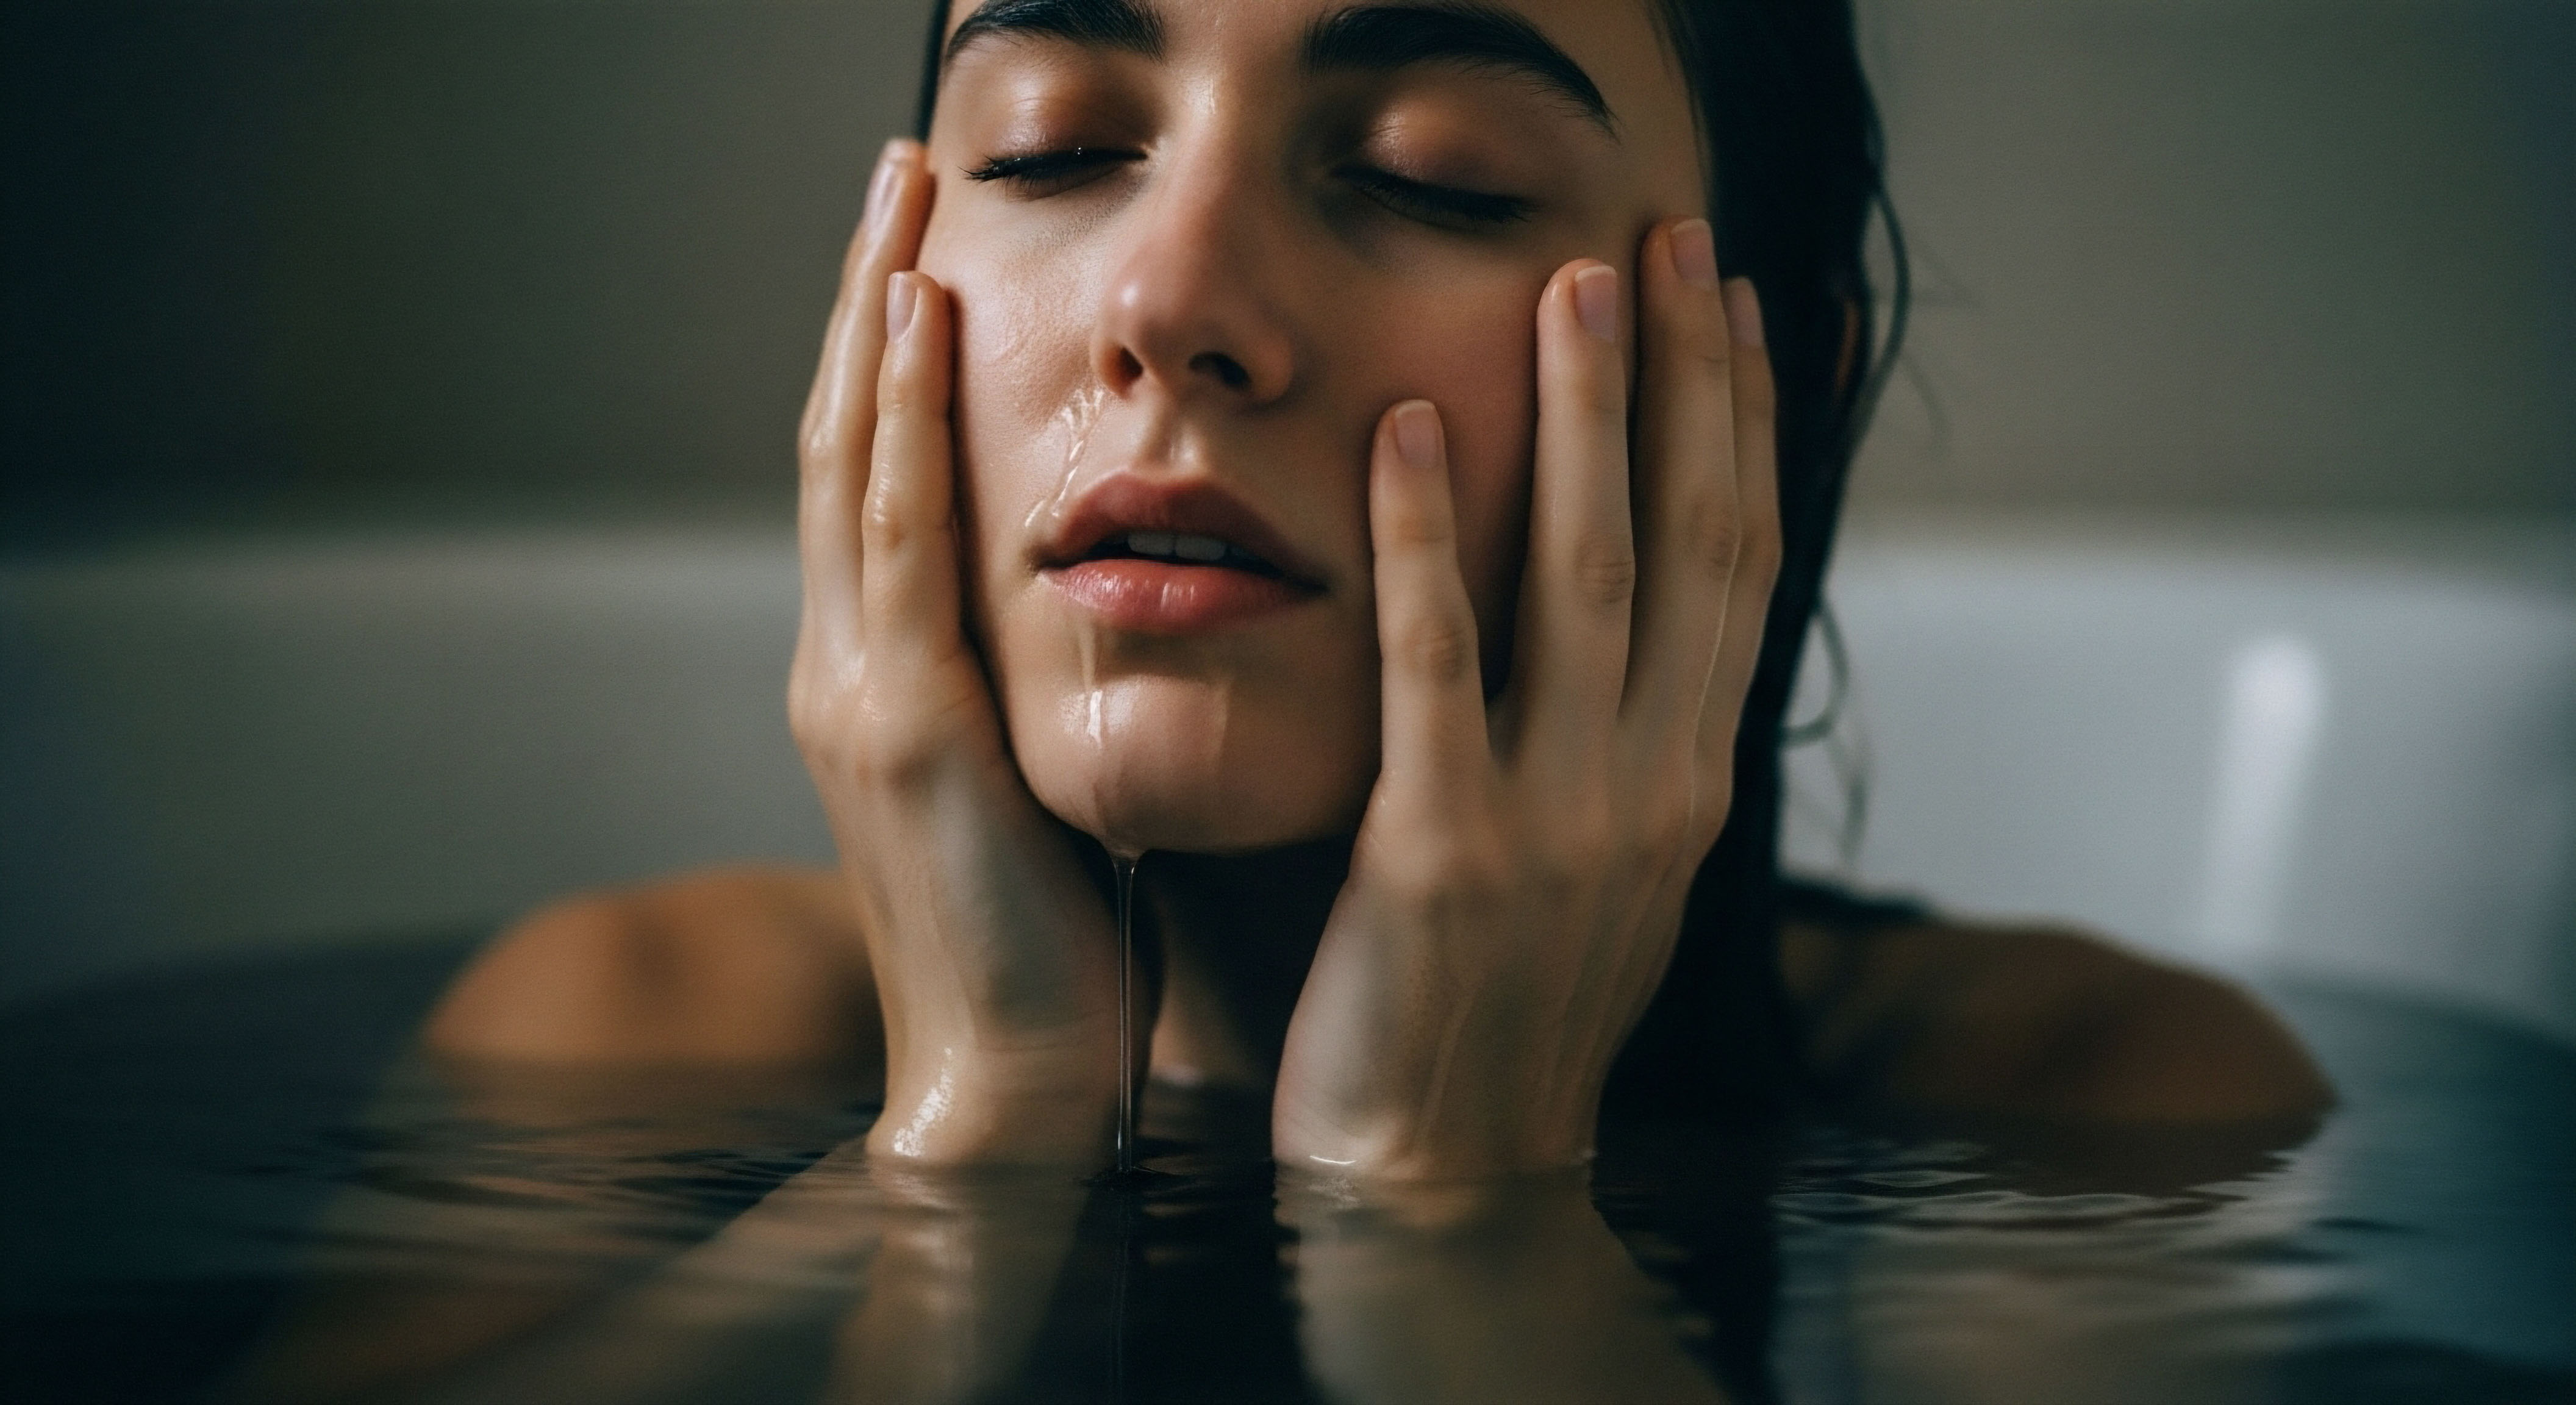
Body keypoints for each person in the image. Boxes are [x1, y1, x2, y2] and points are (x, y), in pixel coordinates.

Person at [424, 0, 2330, 1181]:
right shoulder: (618, 1034)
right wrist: (983, 1129)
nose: (1166, 303)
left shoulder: (2104, 1117)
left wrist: (1437, 1195)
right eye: (1055, 148)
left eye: (1440, 178)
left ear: (1774, 394)